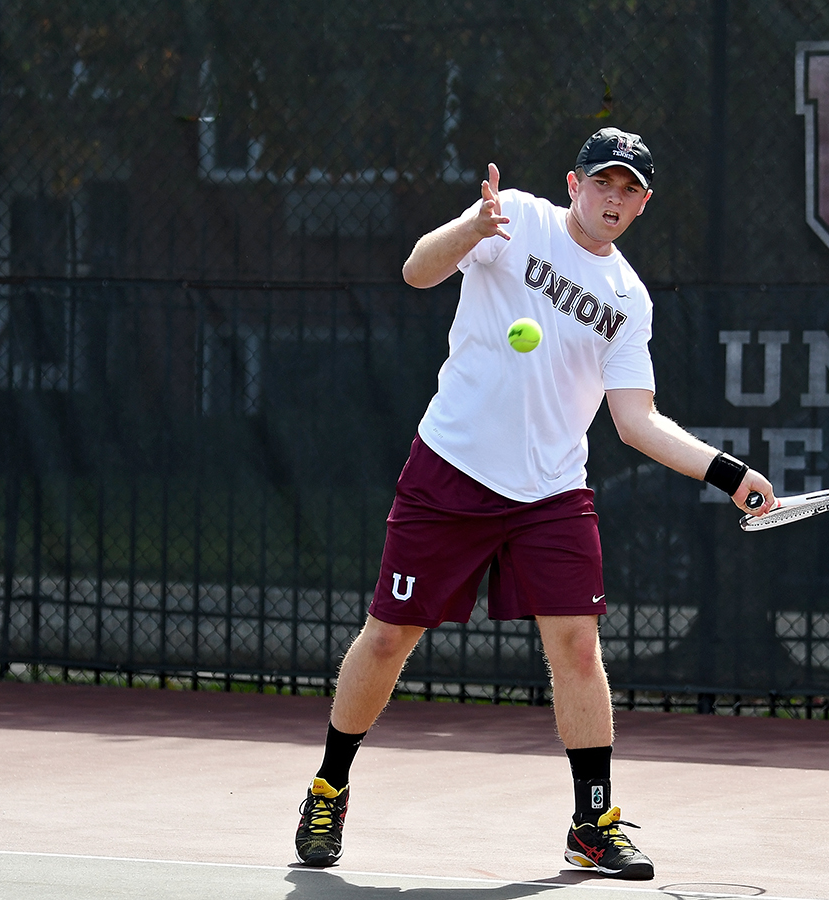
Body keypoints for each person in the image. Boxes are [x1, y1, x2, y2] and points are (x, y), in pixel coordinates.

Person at [293, 127, 776, 880]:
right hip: (448, 472)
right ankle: (329, 785)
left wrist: (725, 472)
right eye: (604, 183)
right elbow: (417, 272)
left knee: (578, 649)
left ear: (643, 206)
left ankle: (592, 823)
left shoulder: (628, 298)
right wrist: (470, 227)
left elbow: (635, 420)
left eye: (630, 190)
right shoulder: (513, 216)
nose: (614, 198)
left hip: (551, 492)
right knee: (388, 640)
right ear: (573, 182)